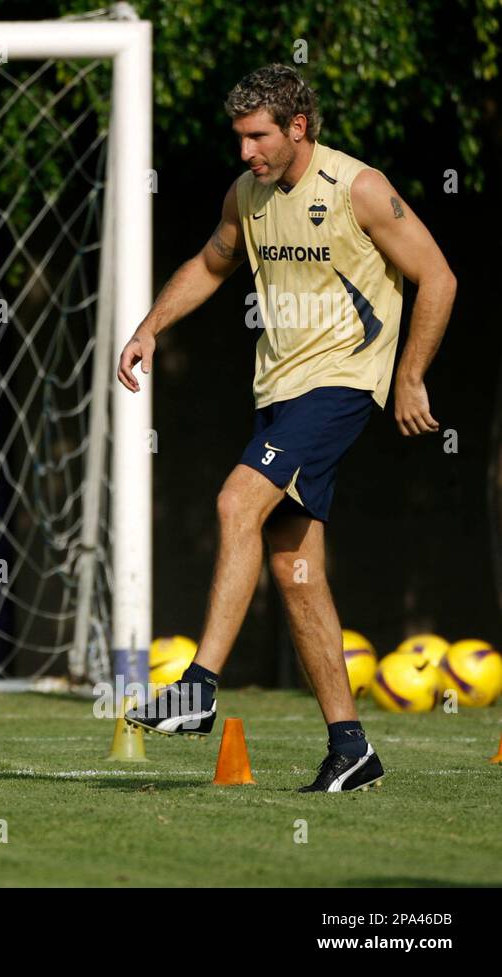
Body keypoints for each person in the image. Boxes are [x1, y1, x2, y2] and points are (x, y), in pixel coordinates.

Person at [116, 64, 456, 792]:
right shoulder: (248, 194)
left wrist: (409, 374)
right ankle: (352, 747)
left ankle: (199, 688)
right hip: (279, 392)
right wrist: (150, 328)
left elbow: (440, 276)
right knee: (296, 571)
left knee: (236, 501)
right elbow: (211, 263)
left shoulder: (358, 189)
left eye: (257, 136)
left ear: (297, 127)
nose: (246, 151)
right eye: (240, 137)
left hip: (338, 386)